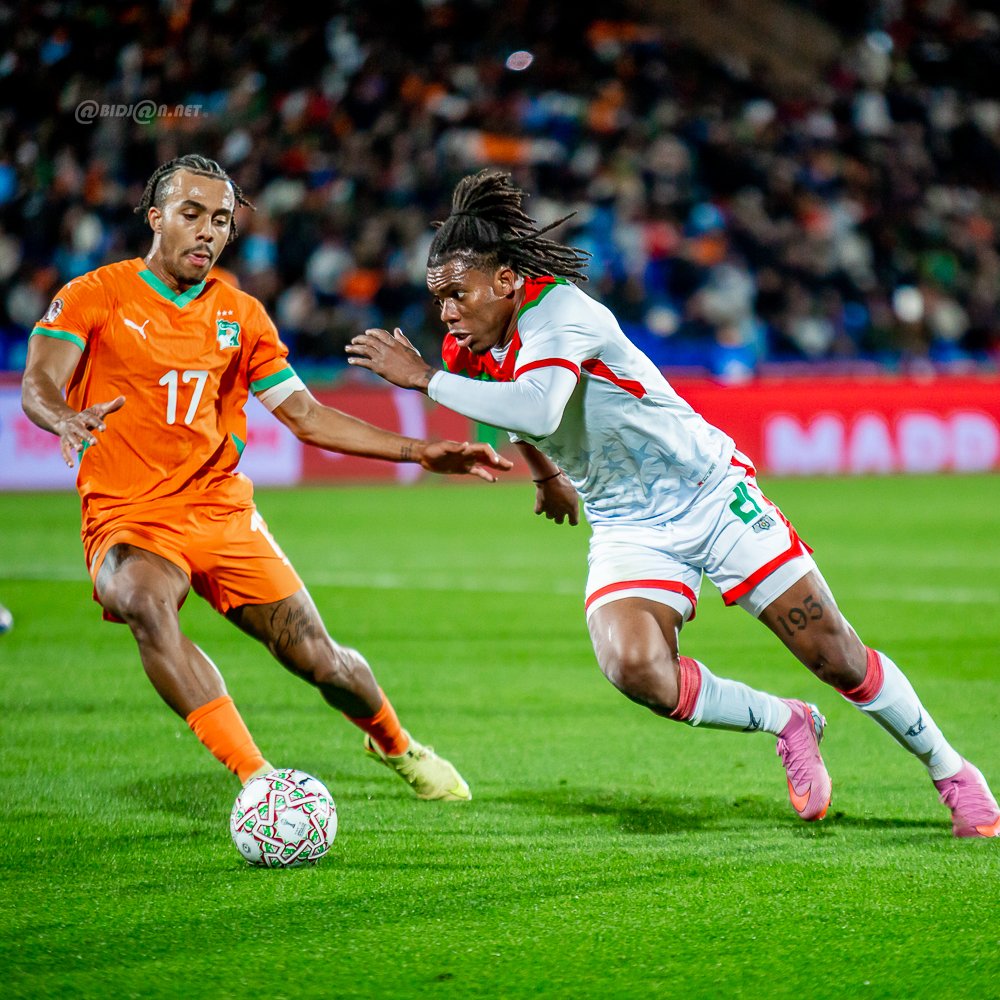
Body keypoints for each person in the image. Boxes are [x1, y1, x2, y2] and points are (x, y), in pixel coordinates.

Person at [347, 168, 999, 837]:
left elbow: (538, 401)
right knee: (634, 668)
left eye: (458, 294)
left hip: (709, 494)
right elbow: (507, 412)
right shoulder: (470, 346)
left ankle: (952, 772)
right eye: (439, 301)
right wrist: (545, 476)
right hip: (627, 522)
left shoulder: (564, 312)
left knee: (835, 654)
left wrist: (422, 379)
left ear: (507, 278)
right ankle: (788, 721)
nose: (447, 313)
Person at [21, 154, 513, 802]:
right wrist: (64, 417)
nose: (207, 231)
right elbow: (38, 381)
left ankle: (397, 744)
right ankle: (260, 781)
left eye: (221, 220)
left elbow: (306, 416)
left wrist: (420, 450)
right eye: (192, 214)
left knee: (320, 661)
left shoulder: (241, 316)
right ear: (155, 217)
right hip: (129, 518)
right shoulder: (95, 295)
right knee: (144, 602)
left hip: (220, 513)